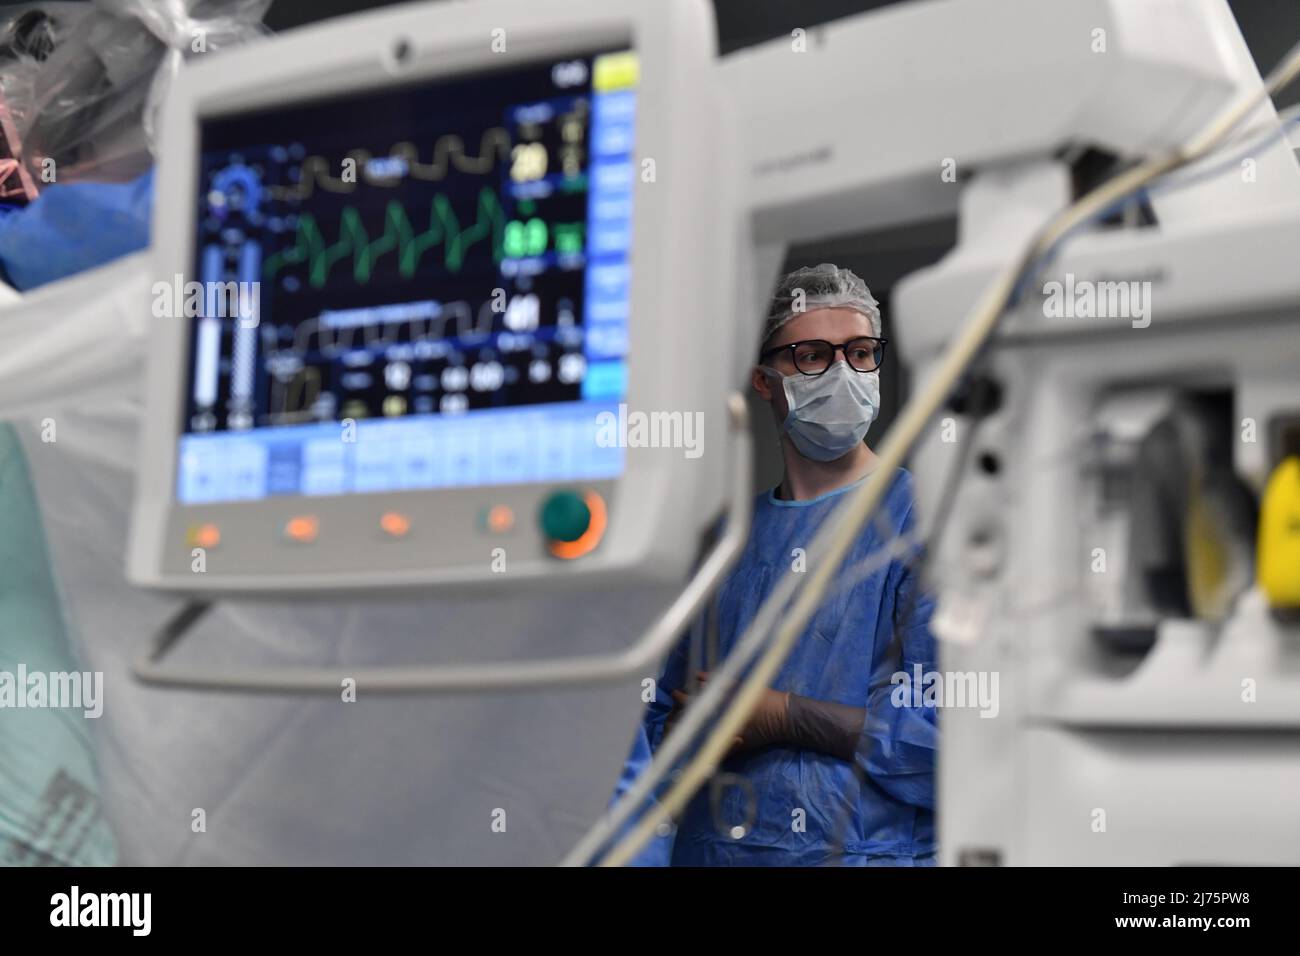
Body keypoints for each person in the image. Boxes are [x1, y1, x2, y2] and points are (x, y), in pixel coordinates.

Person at [644, 263, 938, 866]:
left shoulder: (923, 521)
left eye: (860, 353)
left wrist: (781, 715)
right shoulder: (725, 545)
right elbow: (652, 730)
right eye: (811, 355)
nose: (842, 373)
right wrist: (685, 741)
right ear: (763, 380)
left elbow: (948, 739)